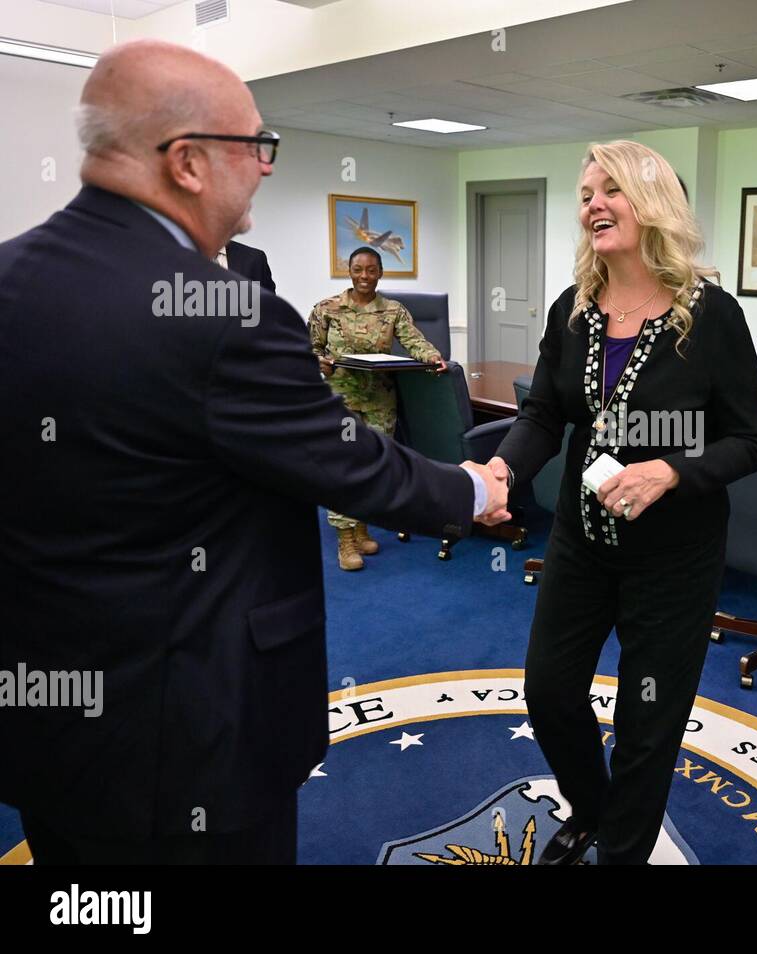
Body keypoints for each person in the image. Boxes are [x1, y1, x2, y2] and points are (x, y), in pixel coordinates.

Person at [0, 39, 506, 864]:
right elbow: (349, 459)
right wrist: (472, 491)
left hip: (49, 726)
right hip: (191, 736)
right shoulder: (224, 314)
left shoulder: (9, 277)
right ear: (190, 162)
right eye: (257, 145)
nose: (267, 167)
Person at [488, 140, 757, 863]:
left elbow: (749, 441)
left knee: (647, 723)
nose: (593, 205)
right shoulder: (573, 309)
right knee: (549, 691)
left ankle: (621, 852)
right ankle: (590, 808)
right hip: (583, 541)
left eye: (610, 189)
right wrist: (500, 473)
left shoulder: (712, 316)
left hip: (674, 559)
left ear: (652, 204)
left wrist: (671, 472)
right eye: (585, 193)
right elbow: (545, 415)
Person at [308, 247, 448, 570]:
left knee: (374, 464)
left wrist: (432, 356)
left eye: (371, 270)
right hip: (340, 398)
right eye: (358, 270)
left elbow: (414, 340)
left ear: (380, 273)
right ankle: (345, 539)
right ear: (349, 271)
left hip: (380, 398)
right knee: (345, 466)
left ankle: (361, 526)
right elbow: (309, 348)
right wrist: (321, 362)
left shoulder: (393, 310)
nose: (364, 277)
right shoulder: (327, 309)